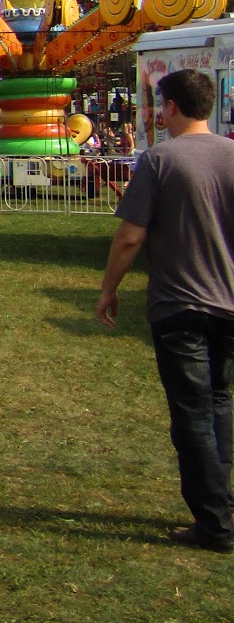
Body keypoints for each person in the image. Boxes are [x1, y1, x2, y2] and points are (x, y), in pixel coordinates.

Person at [99, 68, 234, 552]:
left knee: (193, 412)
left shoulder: (159, 160)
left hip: (180, 303)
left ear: (171, 106)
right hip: (227, 302)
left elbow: (131, 234)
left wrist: (109, 288)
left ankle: (215, 522)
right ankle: (222, 503)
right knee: (219, 400)